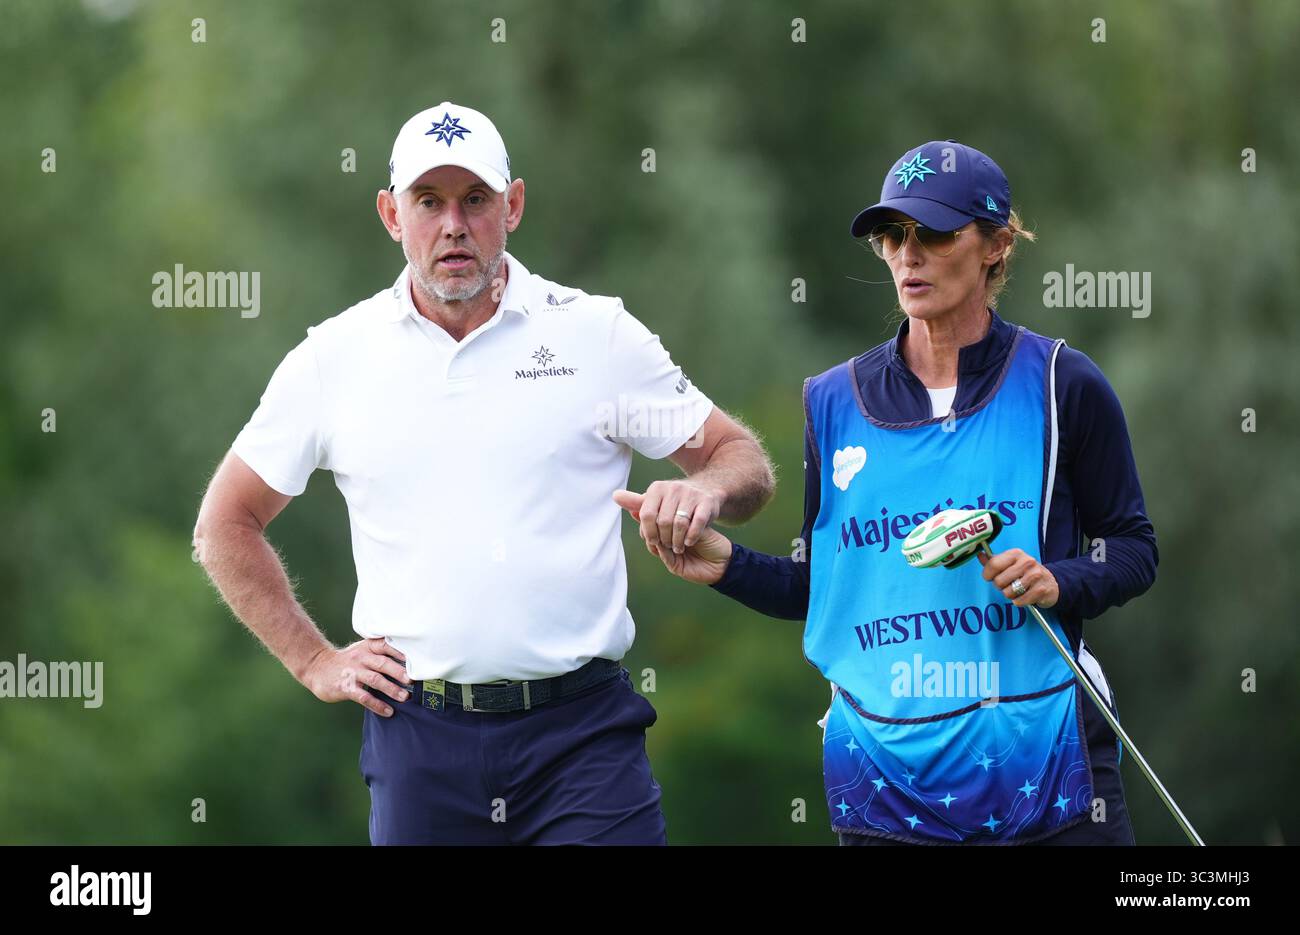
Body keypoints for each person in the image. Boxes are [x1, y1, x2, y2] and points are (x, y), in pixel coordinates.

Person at [193, 102, 775, 845]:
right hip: (420, 741)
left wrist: (704, 488)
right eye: (428, 202)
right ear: (390, 215)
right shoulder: (333, 357)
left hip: (584, 738)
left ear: (514, 205)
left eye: (475, 200)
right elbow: (224, 524)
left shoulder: (594, 332)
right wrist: (314, 659)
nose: (453, 225)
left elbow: (743, 461)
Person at [616, 140, 1158, 845]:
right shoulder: (832, 402)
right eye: (891, 235)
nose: (908, 255)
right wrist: (725, 563)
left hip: (1047, 763)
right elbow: (833, 590)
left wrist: (1059, 579)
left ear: (995, 245)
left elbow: (1134, 548)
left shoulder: (1063, 384)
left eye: (933, 233)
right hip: (888, 779)